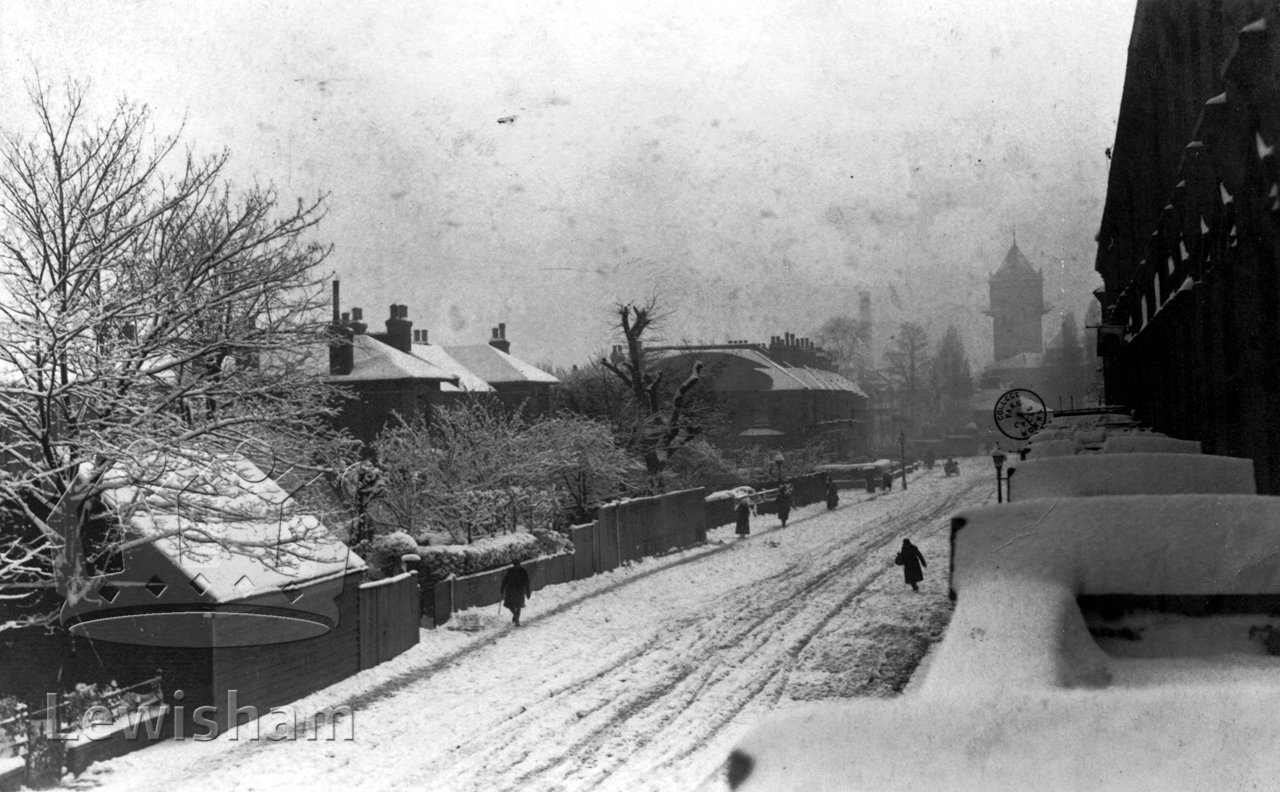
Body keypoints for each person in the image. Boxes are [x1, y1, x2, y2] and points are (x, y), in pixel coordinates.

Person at [500, 559, 532, 626]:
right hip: (513, 589)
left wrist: (528, 592)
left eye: (516, 565)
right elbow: (505, 580)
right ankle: (516, 616)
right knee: (513, 605)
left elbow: (527, 582)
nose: (516, 566)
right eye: (515, 565)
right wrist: (502, 588)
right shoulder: (512, 571)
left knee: (517, 605)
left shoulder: (522, 571)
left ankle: (517, 620)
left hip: (517, 589)